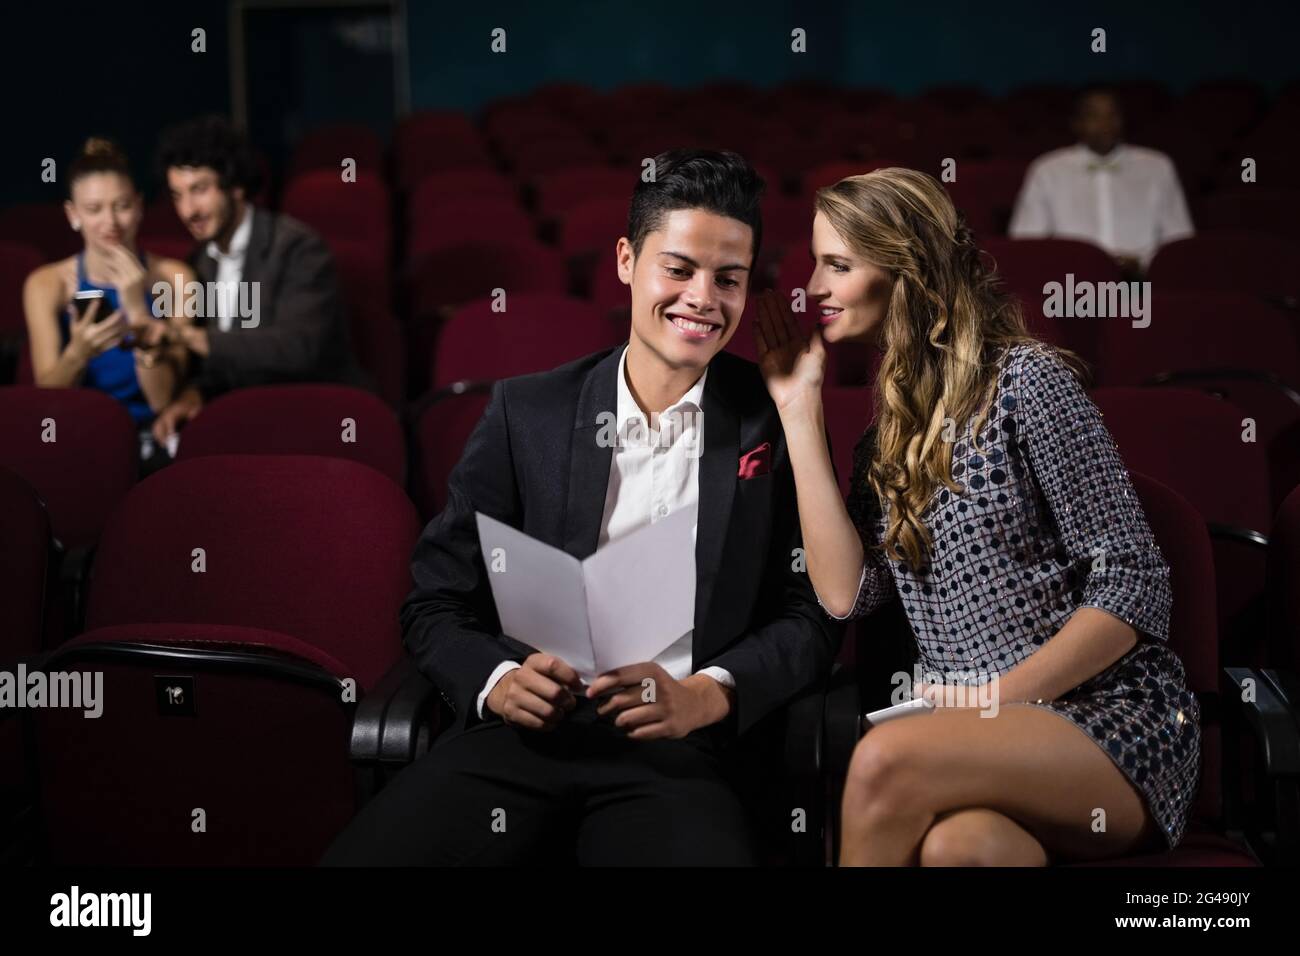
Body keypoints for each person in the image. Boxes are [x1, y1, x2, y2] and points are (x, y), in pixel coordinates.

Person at [321, 150, 842, 866]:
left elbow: (812, 615)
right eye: (679, 269)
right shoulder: (524, 411)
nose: (702, 299)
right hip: (519, 740)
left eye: (729, 280)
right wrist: (500, 683)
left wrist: (708, 694)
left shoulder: (773, 419)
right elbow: (434, 601)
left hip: (679, 755)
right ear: (627, 261)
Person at [755, 167, 1200, 866]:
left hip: (1109, 726)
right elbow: (847, 595)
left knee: (881, 763)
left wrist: (992, 701)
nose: (814, 288)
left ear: (907, 269)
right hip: (976, 736)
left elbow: (1134, 581)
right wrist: (798, 412)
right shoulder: (889, 436)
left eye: (837, 265)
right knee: (963, 850)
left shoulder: (1028, 382)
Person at [150, 115, 368, 442]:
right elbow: (218, 367)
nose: (187, 211)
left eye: (199, 190)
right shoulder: (197, 262)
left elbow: (298, 349)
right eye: (177, 195)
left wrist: (191, 337)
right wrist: (193, 395)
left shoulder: (298, 248)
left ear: (236, 187)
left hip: (317, 417)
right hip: (243, 419)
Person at [22, 137, 195, 462]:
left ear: (140, 206)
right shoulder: (45, 284)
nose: (110, 223)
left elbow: (161, 399)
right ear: (73, 214)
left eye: (122, 206)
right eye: (93, 209)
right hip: (78, 434)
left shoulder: (176, 278)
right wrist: (78, 353)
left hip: (153, 438)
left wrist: (136, 309)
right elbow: (43, 403)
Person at [1008, 87, 1194, 274]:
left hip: (1142, 282)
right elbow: (1027, 242)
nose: (1105, 124)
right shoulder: (1047, 170)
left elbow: (1179, 242)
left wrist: (1143, 264)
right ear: (1076, 123)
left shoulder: (1157, 167)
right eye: (1094, 116)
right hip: (1069, 284)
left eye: (1112, 115)